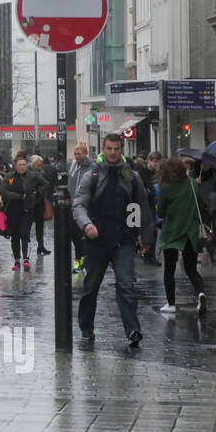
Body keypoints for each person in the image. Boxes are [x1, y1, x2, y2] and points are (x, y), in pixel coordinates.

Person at [72, 133, 155, 348]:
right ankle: (86, 327)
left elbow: (140, 208)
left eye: (116, 149)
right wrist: (86, 224)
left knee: (126, 284)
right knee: (91, 286)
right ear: (103, 148)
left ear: (121, 149)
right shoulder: (92, 176)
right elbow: (78, 205)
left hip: (123, 241)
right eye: (109, 148)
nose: (112, 153)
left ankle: (132, 329)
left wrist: (144, 236)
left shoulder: (132, 177)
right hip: (96, 240)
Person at [155, 158, 207, 314]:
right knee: (191, 269)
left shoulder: (165, 188)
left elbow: (161, 212)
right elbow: (200, 204)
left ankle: (170, 304)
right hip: (190, 231)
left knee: (169, 269)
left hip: (172, 232)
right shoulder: (192, 185)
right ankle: (201, 293)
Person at [1, 157, 38, 270]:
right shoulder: (10, 177)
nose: (22, 167)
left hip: (27, 210)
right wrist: (19, 196)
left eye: (24, 164)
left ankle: (26, 258)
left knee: (24, 234)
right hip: (12, 211)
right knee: (15, 236)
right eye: (20, 165)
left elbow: (39, 188)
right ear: (15, 166)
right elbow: (4, 191)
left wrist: (34, 193)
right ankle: (17, 260)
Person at [67, 143, 94, 274]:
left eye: (80, 154)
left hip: (86, 208)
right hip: (72, 207)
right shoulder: (73, 167)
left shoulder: (92, 168)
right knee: (74, 237)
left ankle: (81, 261)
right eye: (75, 154)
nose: (77, 156)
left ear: (85, 153)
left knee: (82, 237)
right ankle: (80, 260)